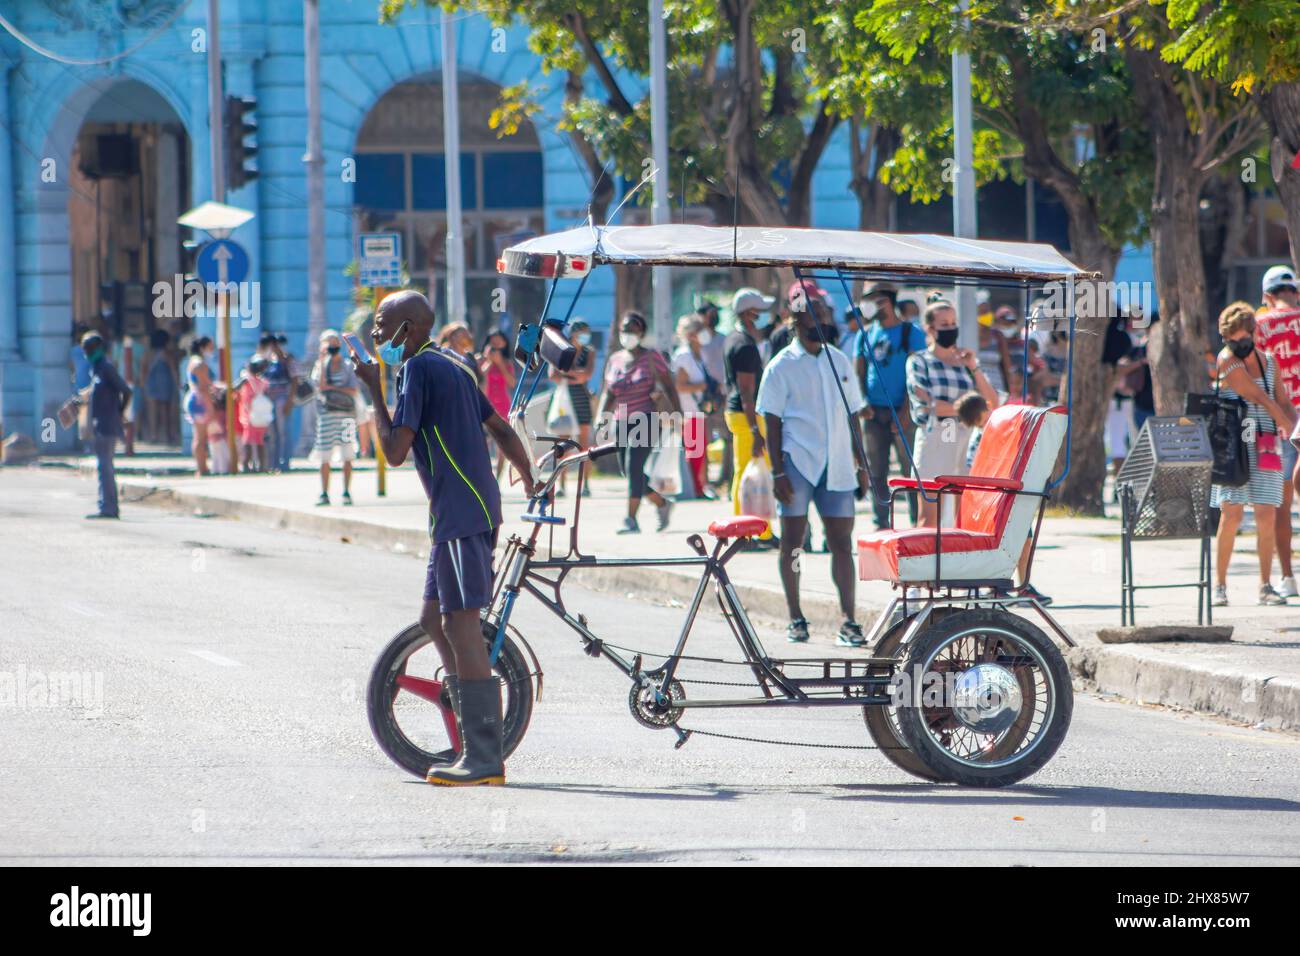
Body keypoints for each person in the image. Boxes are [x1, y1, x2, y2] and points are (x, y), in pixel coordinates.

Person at [349, 290, 534, 786]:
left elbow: (392, 449)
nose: (375, 335)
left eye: (382, 326)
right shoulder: (452, 365)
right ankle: (473, 739)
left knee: (460, 625)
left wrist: (373, 385)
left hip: (460, 513)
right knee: (434, 618)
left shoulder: (417, 370)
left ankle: (483, 756)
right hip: (466, 511)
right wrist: (527, 474)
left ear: (408, 328)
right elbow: (498, 426)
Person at [758, 295, 869, 646]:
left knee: (841, 542)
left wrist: (862, 463)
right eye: (816, 317)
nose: (824, 323)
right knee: (792, 544)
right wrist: (777, 472)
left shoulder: (839, 360)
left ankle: (849, 620)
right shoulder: (780, 366)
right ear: (796, 322)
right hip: (797, 463)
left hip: (836, 465)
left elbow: (854, 415)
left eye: (826, 316)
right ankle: (795, 617)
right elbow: (770, 422)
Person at [1211, 302, 1298, 607]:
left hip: (1265, 442)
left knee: (1266, 513)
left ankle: (1265, 584)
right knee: (1231, 512)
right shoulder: (1227, 361)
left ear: (1253, 332)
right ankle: (1219, 584)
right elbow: (1258, 396)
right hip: (1234, 444)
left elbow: (1282, 399)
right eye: (1231, 340)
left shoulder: (1269, 363)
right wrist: (1287, 424)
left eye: (1241, 338)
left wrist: (1294, 425)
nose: (1236, 345)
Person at [906, 298, 999, 527]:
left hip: (965, 441)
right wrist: (967, 407)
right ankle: (927, 561)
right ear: (930, 329)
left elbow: (992, 403)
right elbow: (925, 404)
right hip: (936, 437)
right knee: (929, 519)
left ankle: (952, 562)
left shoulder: (964, 364)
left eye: (953, 323)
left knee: (961, 519)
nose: (951, 329)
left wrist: (974, 367)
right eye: (944, 324)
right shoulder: (919, 361)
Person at [595, 311, 681, 533]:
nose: (627, 334)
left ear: (641, 333)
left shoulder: (652, 357)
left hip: (647, 419)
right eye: (624, 330)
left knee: (634, 465)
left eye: (632, 330)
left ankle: (630, 520)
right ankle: (662, 503)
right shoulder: (615, 360)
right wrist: (602, 417)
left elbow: (669, 386)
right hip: (621, 420)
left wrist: (678, 413)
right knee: (628, 470)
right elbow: (609, 392)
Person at [854, 280, 926, 531]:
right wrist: (862, 402)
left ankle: (917, 522)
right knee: (877, 470)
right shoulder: (864, 333)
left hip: (903, 412)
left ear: (887, 301)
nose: (869, 305)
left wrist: (906, 412)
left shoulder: (911, 333)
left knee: (910, 470)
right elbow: (859, 371)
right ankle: (881, 522)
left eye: (874, 299)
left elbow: (918, 374)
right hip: (874, 413)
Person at [1254, 264, 1300, 597]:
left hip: (1278, 423)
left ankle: (1287, 579)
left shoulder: (1259, 325)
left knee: (1281, 505)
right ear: (1294, 293)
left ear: (1267, 297)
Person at [724, 287, 777, 543]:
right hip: (747, 416)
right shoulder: (745, 346)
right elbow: (746, 391)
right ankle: (749, 532)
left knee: (744, 472)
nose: (765, 317)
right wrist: (756, 430)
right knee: (749, 474)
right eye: (760, 312)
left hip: (737, 413)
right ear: (748, 314)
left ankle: (752, 530)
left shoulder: (734, 338)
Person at [77, 332, 131, 519]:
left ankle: (108, 508)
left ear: (98, 348)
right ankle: (107, 505)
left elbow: (126, 391)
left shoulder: (106, 368)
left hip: (108, 425)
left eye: (89, 348)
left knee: (105, 467)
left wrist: (119, 412)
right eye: (84, 349)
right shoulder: (97, 369)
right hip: (99, 424)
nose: (86, 352)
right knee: (103, 468)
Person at [310, 329, 360, 506]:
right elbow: (320, 387)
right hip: (327, 416)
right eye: (329, 344)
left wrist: (334, 389)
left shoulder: (347, 365)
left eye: (335, 344)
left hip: (346, 416)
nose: (333, 347)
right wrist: (323, 362)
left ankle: (346, 492)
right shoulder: (320, 365)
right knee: (324, 456)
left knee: (348, 454)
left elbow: (353, 390)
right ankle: (324, 493)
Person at [550, 319, 596, 497]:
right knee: (563, 443)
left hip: (581, 398)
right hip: (564, 399)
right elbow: (553, 375)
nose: (585, 336)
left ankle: (585, 484)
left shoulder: (589, 351)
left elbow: (586, 376)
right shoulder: (562, 349)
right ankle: (561, 484)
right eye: (582, 332)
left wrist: (565, 373)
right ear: (574, 332)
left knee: (584, 443)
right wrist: (574, 375)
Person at [671, 314, 710, 498]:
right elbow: (679, 385)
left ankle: (698, 486)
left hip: (697, 410)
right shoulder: (684, 356)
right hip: (688, 411)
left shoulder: (699, 355)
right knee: (694, 451)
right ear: (691, 334)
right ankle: (694, 488)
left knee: (699, 451)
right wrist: (701, 387)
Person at [697, 300, 730, 491]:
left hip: (721, 395)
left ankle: (725, 477)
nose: (714, 317)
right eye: (710, 313)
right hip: (701, 396)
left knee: (727, 438)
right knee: (701, 439)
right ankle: (704, 481)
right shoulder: (697, 341)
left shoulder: (723, 339)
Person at [184, 336, 217, 476]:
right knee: (201, 437)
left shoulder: (192, 362)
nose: (212, 350)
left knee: (198, 436)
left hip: (194, 400)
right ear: (203, 347)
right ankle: (201, 468)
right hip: (200, 401)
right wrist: (210, 406)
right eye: (210, 347)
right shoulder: (200, 364)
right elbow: (204, 387)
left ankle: (201, 466)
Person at [234, 354, 272, 473]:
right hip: (262, 417)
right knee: (260, 442)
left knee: (247, 442)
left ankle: (246, 465)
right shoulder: (264, 383)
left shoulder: (246, 380)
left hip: (249, 416)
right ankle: (262, 466)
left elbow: (234, 388)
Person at [143, 328, 177, 445]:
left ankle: (154, 435)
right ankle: (168, 436)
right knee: (165, 410)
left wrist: (144, 383)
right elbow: (173, 369)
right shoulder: (166, 353)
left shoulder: (148, 353)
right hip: (165, 382)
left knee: (152, 410)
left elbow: (144, 368)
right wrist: (177, 384)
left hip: (151, 382)